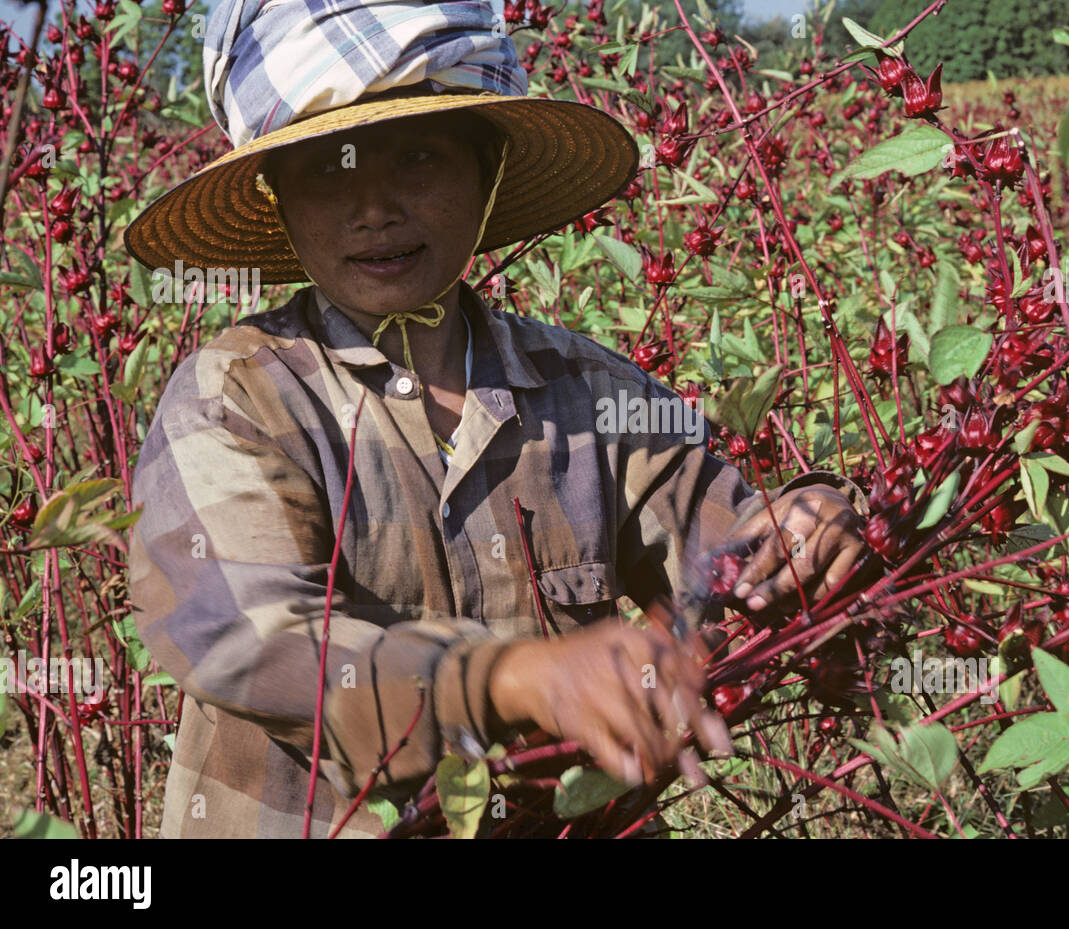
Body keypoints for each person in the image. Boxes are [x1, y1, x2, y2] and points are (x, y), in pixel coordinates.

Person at [125, 0, 868, 838]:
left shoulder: (585, 388)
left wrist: (804, 532)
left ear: (487, 172)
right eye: (328, 168)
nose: (375, 207)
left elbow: (730, 544)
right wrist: (516, 678)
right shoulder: (235, 396)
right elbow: (243, 638)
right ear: (279, 200)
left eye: (417, 156)